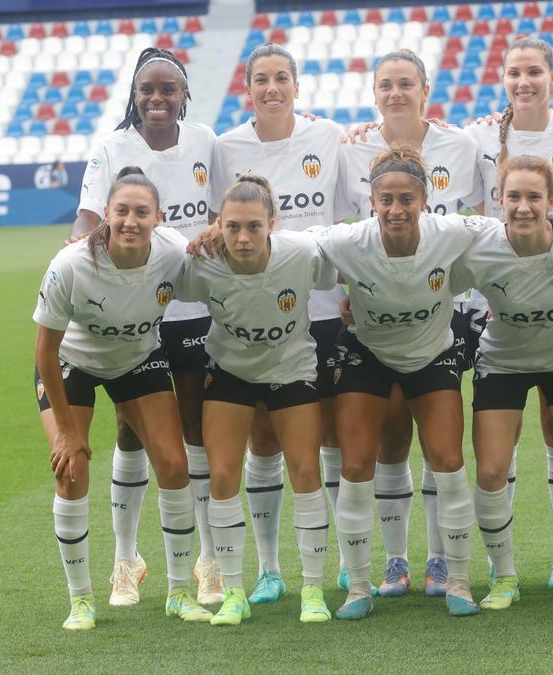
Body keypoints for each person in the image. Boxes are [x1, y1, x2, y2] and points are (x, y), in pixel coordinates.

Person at [72, 47, 221, 607]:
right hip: (135, 311)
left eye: (168, 90)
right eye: (146, 91)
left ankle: (208, 560)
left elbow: (227, 204)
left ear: (185, 96)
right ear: (133, 97)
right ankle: (126, 560)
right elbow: (90, 216)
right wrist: (72, 251)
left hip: (195, 308)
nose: (156, 100)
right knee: (130, 431)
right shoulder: (112, 147)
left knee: (194, 430)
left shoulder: (206, 141)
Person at [314, 145, 488, 619]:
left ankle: (457, 581)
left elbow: (509, 226)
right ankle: (359, 588)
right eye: (386, 199)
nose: (396, 209)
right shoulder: (349, 242)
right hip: (367, 356)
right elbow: (291, 244)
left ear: (425, 199)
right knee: (354, 468)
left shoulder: (449, 231)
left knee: (449, 462)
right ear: (371, 202)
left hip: (431, 355)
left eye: (406, 199)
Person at [335, 48, 484, 598]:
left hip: (443, 311)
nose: (395, 93)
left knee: (441, 442)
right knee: (391, 439)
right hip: (375, 306)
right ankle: (394, 562)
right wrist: (349, 285)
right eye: (386, 85)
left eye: (406, 83)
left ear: (425, 90)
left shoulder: (462, 143)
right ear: (374, 94)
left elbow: (481, 219)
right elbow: (333, 228)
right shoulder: (350, 148)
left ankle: (442, 561)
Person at [34, 167, 211, 630]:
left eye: (141, 212)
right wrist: (68, 433)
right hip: (72, 362)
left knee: (174, 464)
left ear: (159, 216)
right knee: (71, 469)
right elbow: (45, 352)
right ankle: (81, 600)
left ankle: (177, 591)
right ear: (106, 216)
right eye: (121, 211)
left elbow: (219, 274)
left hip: (137, 358)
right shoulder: (71, 265)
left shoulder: (173, 253)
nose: (131, 221)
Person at [208, 42, 347, 605]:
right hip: (256, 308)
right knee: (262, 439)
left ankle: (342, 558)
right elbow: (217, 216)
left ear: (297, 85)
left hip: (321, 307)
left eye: (281, 78)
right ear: (248, 89)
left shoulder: (330, 136)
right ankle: (268, 568)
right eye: (261, 79)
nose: (272, 88)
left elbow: (346, 215)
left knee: (326, 437)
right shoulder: (226, 148)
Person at [466, 35, 553, 593]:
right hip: (501, 314)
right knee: (493, 465)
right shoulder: (476, 135)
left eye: (534, 72)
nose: (524, 82)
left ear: (552, 75)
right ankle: (504, 576)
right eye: (514, 73)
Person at [451, 155, 553, 610]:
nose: (523, 207)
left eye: (534, 197)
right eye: (514, 197)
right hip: (503, 362)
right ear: (499, 200)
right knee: (490, 470)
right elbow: (431, 284)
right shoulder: (479, 249)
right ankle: (503, 577)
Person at [176, 174, 335, 625]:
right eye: (232, 227)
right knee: (222, 474)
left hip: (292, 370)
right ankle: (232, 593)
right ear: (217, 226)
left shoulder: (302, 255)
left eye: (253, 226)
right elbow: (162, 270)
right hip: (232, 372)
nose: (242, 238)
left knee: (306, 470)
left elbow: (346, 263)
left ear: (272, 224)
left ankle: (312, 589)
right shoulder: (202, 264)